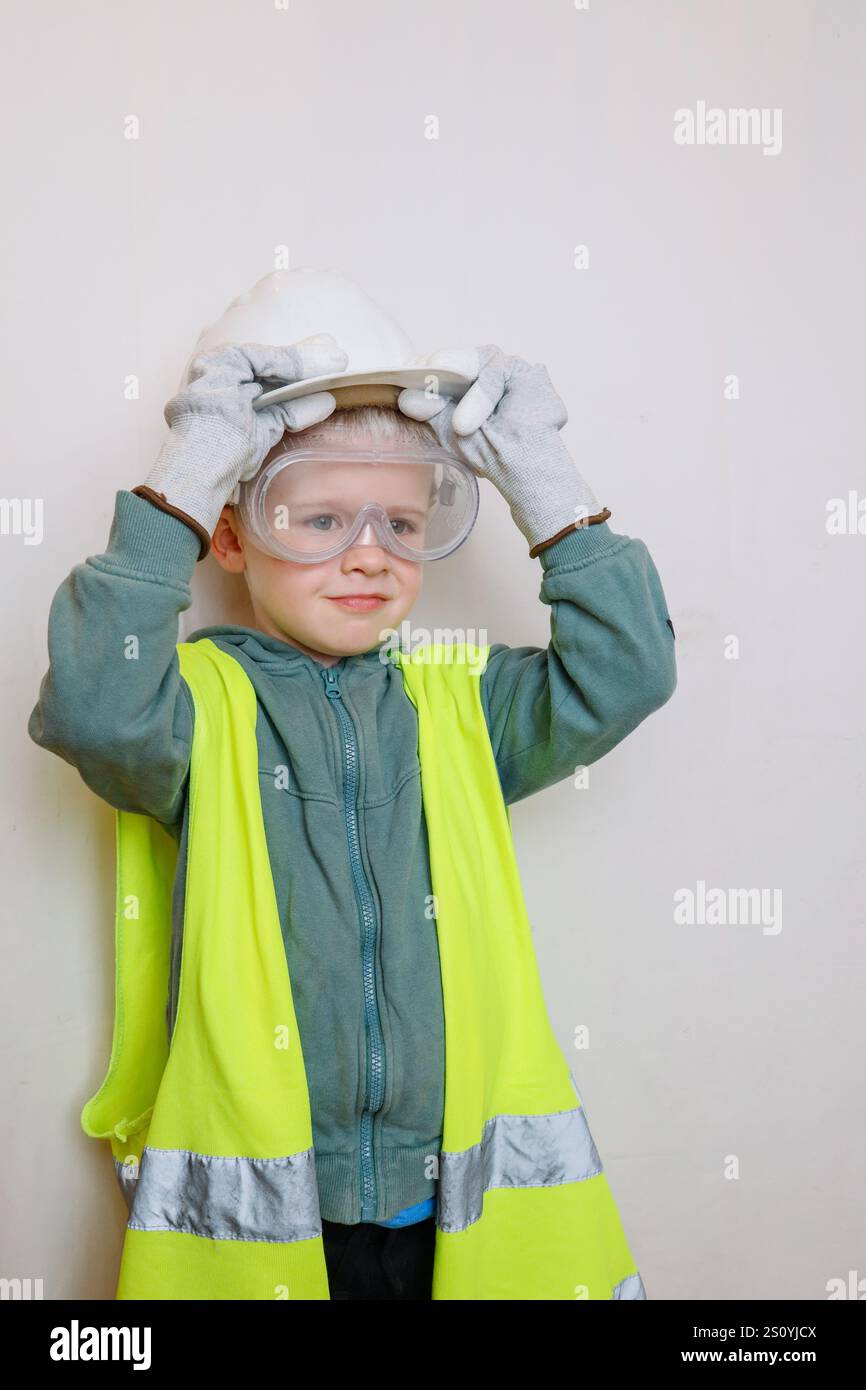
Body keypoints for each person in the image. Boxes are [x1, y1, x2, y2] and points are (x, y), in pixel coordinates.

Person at [28, 298, 677, 1300]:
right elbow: (95, 708)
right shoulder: (195, 711)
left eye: (402, 523)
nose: (369, 552)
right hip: (277, 1229)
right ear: (232, 538)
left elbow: (626, 670)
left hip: (451, 1216)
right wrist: (190, 472)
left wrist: (543, 477)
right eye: (320, 518)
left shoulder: (464, 704)